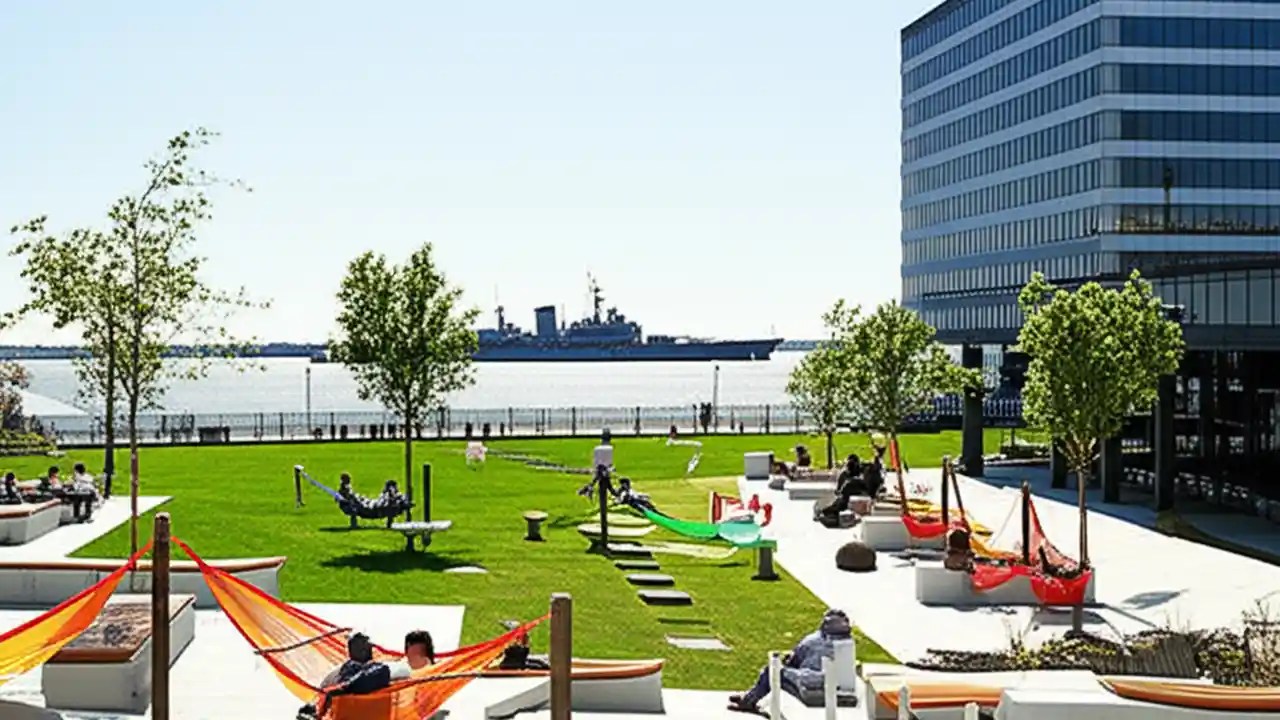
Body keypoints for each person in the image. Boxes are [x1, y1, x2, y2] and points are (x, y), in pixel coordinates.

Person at [728, 609, 853, 713]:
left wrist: (786, 669)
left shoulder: (815, 641)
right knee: (780, 669)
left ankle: (748, 701)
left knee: (772, 671)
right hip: (837, 691)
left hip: (813, 691)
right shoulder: (848, 643)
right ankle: (750, 697)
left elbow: (798, 663)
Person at [296, 633, 392, 719]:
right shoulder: (341, 671)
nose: (365, 648)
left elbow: (362, 682)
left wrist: (344, 688)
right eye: (355, 645)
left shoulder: (379, 668)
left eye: (364, 645)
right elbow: (323, 694)